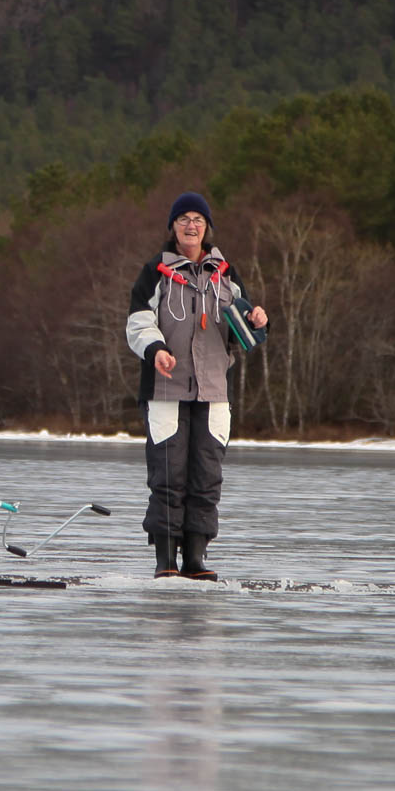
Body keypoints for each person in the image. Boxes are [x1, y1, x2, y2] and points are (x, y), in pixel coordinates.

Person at [126, 192, 268, 580]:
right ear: (172, 227)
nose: (191, 225)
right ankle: (164, 562)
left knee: (206, 478)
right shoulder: (153, 272)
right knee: (167, 478)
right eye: (184, 219)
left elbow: (246, 330)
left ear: (207, 228)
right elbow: (138, 323)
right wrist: (155, 349)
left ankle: (195, 559)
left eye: (198, 220)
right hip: (165, 391)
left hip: (214, 393)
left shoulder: (226, 273)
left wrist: (258, 320)